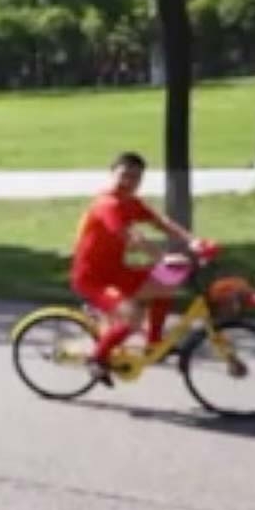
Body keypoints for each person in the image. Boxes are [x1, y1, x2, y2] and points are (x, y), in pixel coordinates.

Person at [72, 152, 204, 386]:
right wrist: (163, 257)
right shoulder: (107, 204)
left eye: (135, 177)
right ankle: (97, 359)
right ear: (111, 174)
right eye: (124, 175)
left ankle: (154, 342)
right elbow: (132, 237)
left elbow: (160, 222)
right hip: (93, 279)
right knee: (133, 316)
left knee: (167, 281)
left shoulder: (130, 202)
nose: (129, 182)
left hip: (117, 272)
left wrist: (192, 241)